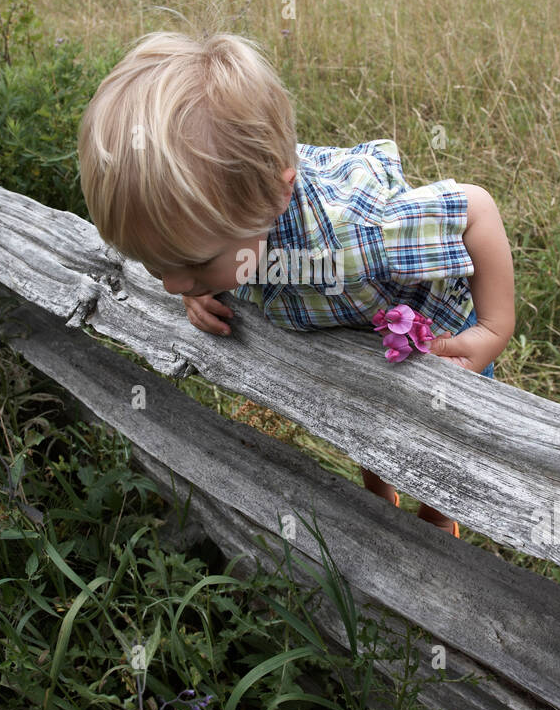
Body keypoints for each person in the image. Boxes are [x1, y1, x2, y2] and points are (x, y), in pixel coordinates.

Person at [77, 30, 515, 536]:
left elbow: (476, 208)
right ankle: (381, 494)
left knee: (445, 444)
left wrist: (493, 327)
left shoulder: (358, 236)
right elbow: (188, 262)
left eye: (192, 266)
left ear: (272, 201)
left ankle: (440, 519)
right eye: (153, 265)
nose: (172, 284)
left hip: (434, 328)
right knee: (374, 434)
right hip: (357, 327)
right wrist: (200, 285)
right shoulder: (221, 232)